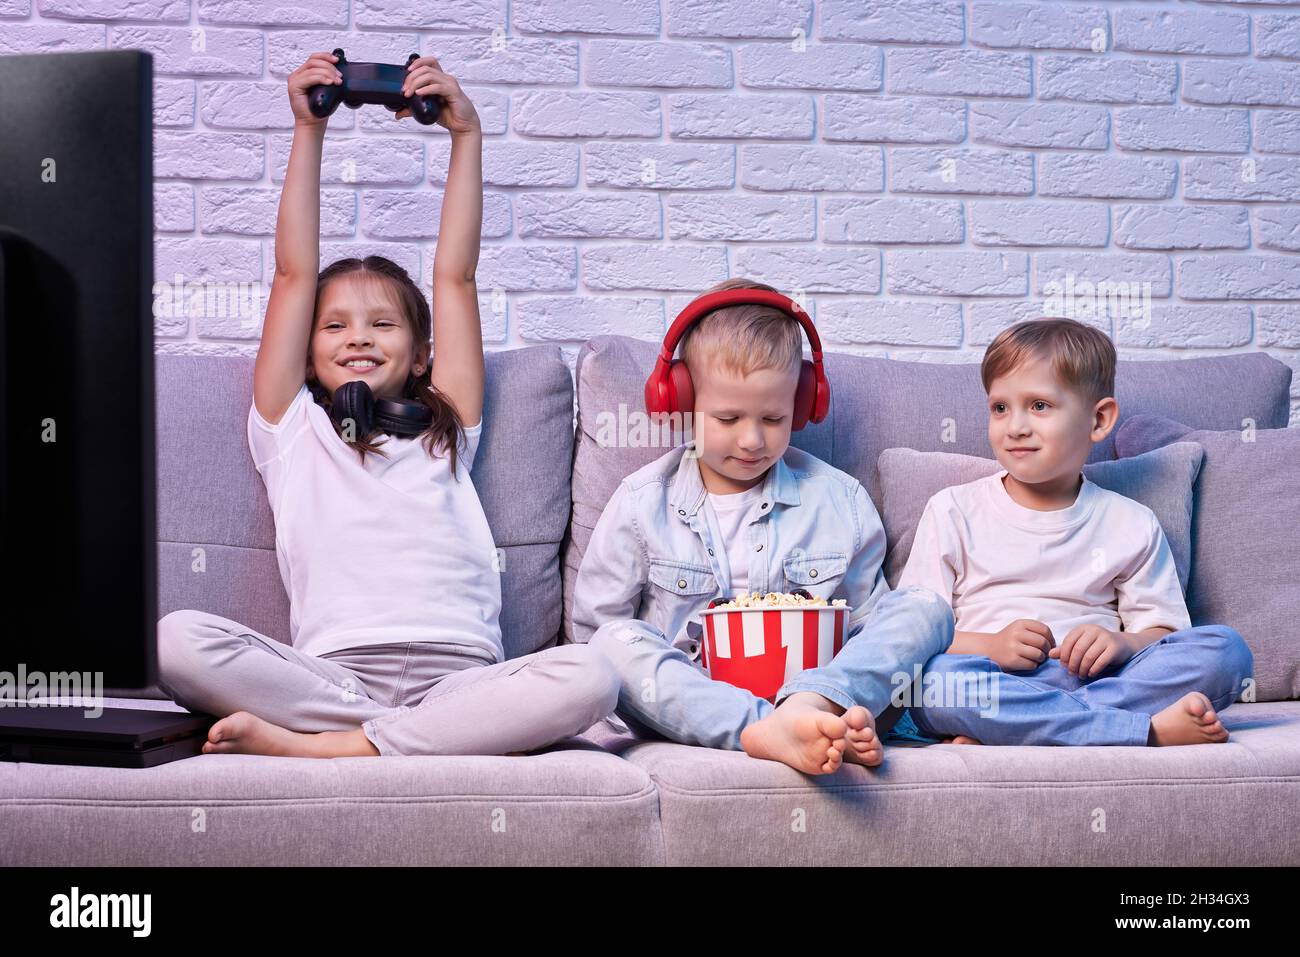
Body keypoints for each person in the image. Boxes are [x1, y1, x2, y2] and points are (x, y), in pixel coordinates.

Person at [155, 51, 617, 758]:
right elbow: (292, 274)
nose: (358, 338)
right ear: (308, 350)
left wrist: (468, 136)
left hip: (462, 683)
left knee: (591, 675)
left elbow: (455, 277)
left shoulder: (448, 423)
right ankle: (393, 736)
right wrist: (309, 131)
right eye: (335, 325)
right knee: (175, 639)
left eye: (383, 324)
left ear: (423, 352)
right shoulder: (291, 425)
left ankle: (337, 748)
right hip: (335, 679)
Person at [574, 278, 953, 775]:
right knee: (610, 645)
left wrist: (838, 689)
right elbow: (595, 633)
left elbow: (869, 626)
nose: (752, 439)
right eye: (728, 417)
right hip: (694, 699)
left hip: (820, 685)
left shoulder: (841, 501)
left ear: (803, 402)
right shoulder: (643, 503)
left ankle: (811, 710)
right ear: (682, 400)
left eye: (773, 418)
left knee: (925, 607)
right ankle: (767, 729)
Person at [899, 318, 1253, 747]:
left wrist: (1121, 644)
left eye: (1040, 406)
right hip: (989, 677)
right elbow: (911, 634)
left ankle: (1014, 728)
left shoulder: (1131, 522)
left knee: (1227, 651)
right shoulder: (952, 510)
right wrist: (992, 645)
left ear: (1099, 419)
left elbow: (1164, 635)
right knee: (932, 685)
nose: (1015, 427)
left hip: (1096, 682)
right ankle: (1141, 729)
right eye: (1000, 408)